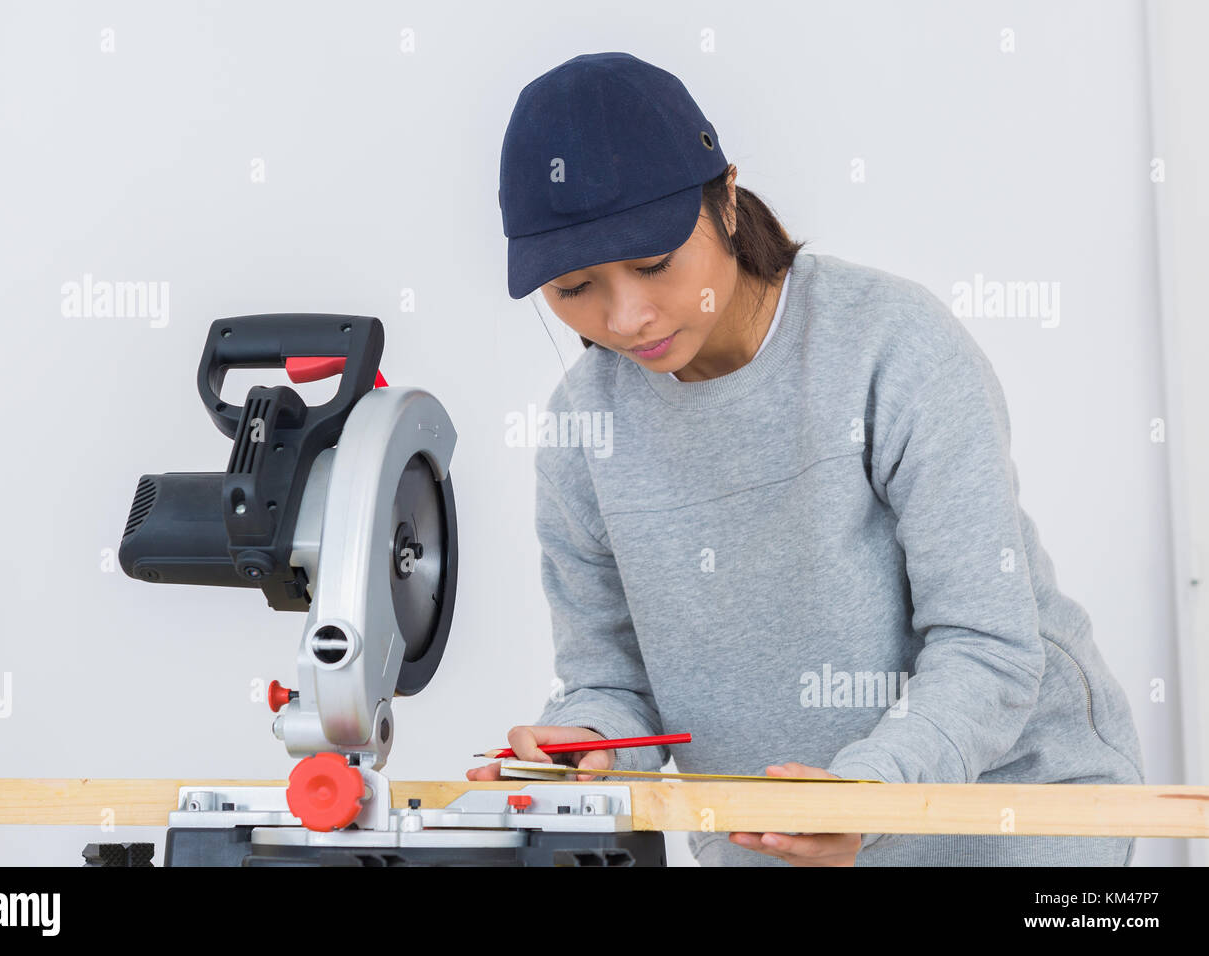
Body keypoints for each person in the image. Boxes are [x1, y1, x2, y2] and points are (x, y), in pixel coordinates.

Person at [468, 51, 1144, 867]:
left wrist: (864, 798)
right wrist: (586, 746)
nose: (629, 315)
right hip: (780, 847)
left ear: (723, 200)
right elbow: (615, 687)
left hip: (1012, 828)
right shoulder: (584, 430)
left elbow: (988, 649)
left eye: (653, 264)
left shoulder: (891, 349)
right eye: (575, 288)